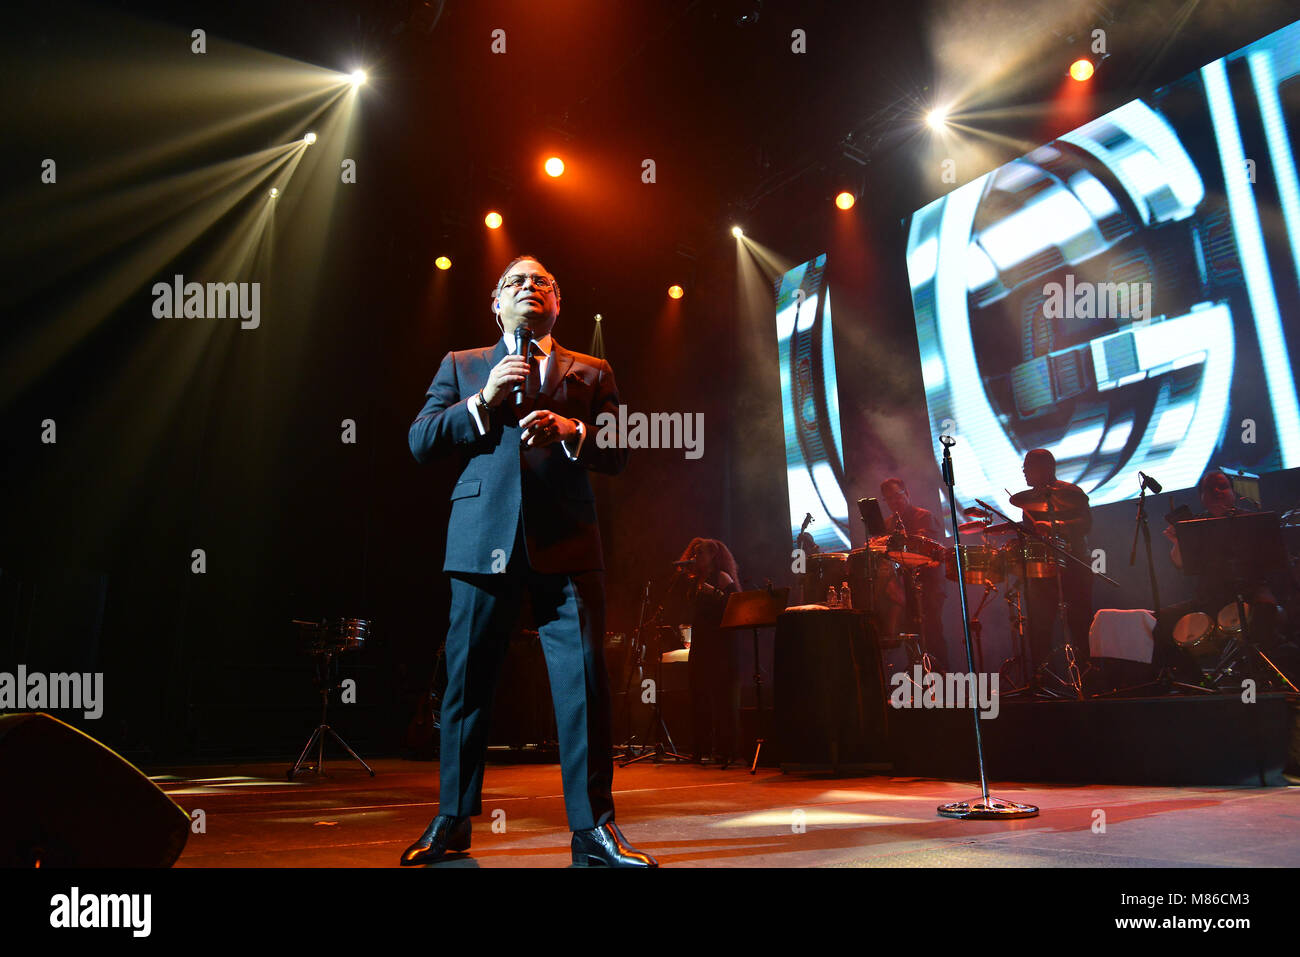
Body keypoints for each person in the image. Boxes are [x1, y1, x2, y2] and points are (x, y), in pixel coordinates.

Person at [402, 254, 656, 867]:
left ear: (559, 301)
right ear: (495, 303)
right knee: (466, 688)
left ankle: (594, 831)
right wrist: (483, 401)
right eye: (515, 281)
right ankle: (452, 823)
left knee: (585, 687)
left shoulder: (592, 370)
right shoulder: (463, 365)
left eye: (541, 280)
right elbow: (420, 440)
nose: (529, 287)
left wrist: (573, 430)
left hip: (566, 541)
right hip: (480, 537)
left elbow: (623, 448)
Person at [1009, 449, 1094, 675]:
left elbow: (1085, 523)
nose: (1024, 470)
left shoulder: (1070, 492)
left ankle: (1089, 677)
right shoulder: (1028, 501)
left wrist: (1056, 528)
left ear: (1045, 467)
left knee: (1080, 624)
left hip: (1073, 567)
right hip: (1040, 571)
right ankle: (1041, 681)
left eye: (1028, 466)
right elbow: (1029, 534)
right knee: (1039, 628)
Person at [676, 538, 742, 769]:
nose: (696, 556)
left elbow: (735, 608)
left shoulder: (722, 577)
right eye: (694, 552)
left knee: (722, 700)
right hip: (701, 645)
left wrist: (715, 593)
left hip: (720, 647)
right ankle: (699, 749)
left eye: (700, 552)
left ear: (713, 555)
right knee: (698, 696)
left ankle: (725, 751)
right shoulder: (694, 582)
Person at [880, 478, 946, 669]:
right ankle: (920, 685)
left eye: (897, 496)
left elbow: (929, 550)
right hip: (905, 589)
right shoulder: (888, 523)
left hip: (929, 585)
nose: (894, 502)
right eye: (889, 499)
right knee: (911, 637)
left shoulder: (923, 516)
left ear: (907, 494)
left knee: (932, 634)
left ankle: (943, 683)